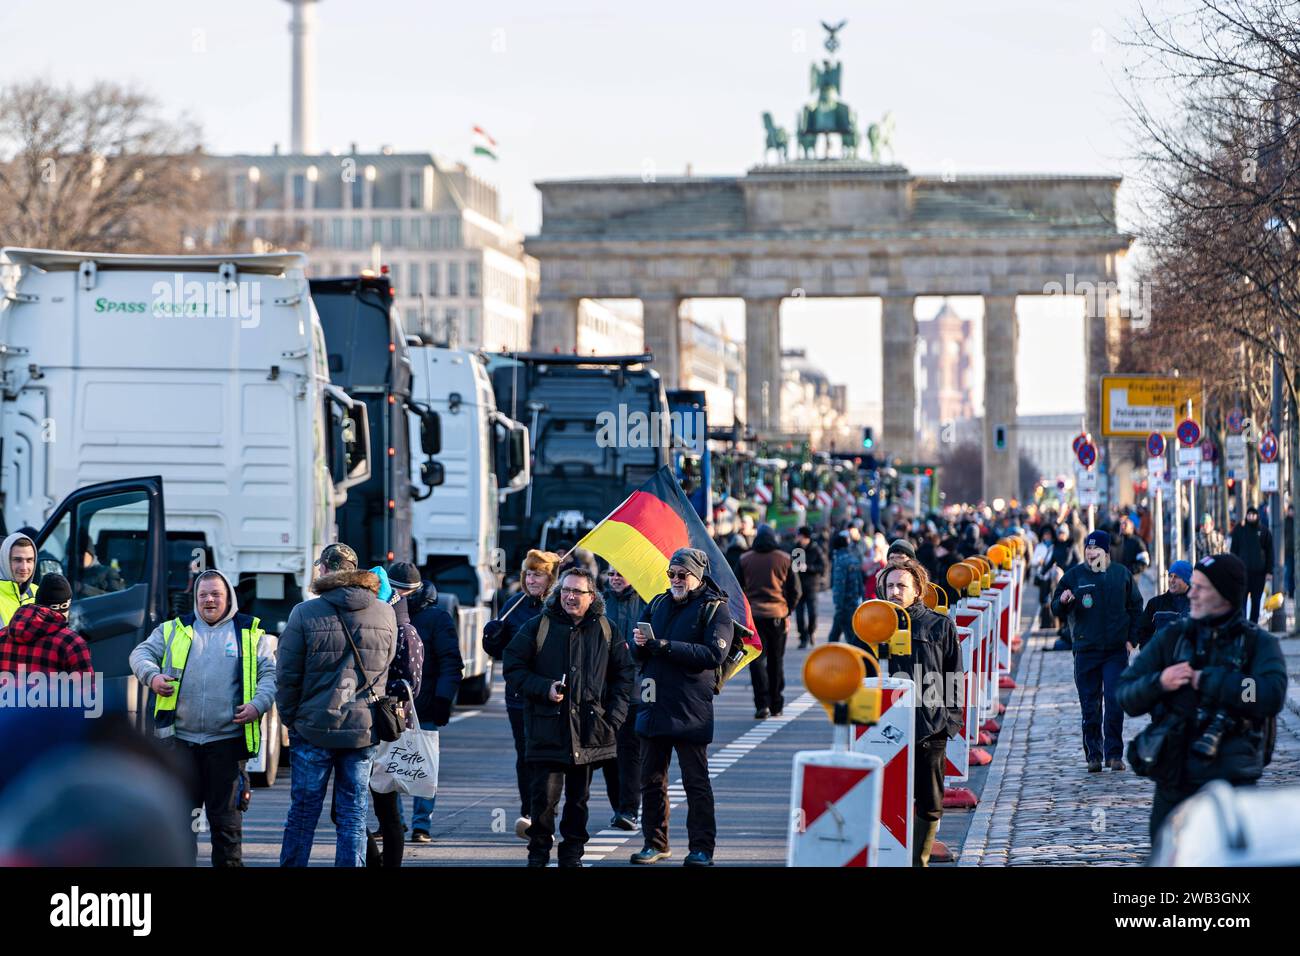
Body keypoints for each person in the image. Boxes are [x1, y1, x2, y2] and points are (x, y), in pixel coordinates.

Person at [1118, 553, 1287, 841]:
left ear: (1225, 595)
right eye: (1192, 585)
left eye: (1201, 587)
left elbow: (1268, 693)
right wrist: (1160, 682)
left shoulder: (1257, 643)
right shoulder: (1173, 638)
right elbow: (1126, 693)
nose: (1191, 594)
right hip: (1174, 782)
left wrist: (1208, 680)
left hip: (1233, 785)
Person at [128, 568, 275, 867]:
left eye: (216, 594)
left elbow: (270, 675)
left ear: (229, 597)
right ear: (195, 598)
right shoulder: (173, 629)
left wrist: (258, 705)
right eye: (203, 594)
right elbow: (139, 654)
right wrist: (152, 676)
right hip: (180, 745)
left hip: (227, 746)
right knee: (181, 828)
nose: (209, 600)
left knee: (227, 829)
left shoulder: (250, 632)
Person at [503, 567, 634, 867]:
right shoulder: (540, 625)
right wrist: (544, 688)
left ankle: (572, 854)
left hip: (589, 730)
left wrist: (613, 718)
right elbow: (513, 666)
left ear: (592, 596)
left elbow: (624, 675)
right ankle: (538, 854)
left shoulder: (606, 628)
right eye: (565, 590)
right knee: (544, 801)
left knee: (578, 801)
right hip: (547, 728)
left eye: (577, 591)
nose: (570, 596)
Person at [277, 543, 396, 867]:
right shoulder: (385, 612)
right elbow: (385, 666)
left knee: (303, 814)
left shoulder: (305, 612)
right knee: (353, 814)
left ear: (326, 570)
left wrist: (291, 719)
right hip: (362, 729)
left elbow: (287, 674)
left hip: (314, 727)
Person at [855, 558, 962, 866]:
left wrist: (950, 723)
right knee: (882, 799)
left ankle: (918, 859)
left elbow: (954, 675)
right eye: (889, 586)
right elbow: (858, 673)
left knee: (929, 801)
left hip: (929, 725)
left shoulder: (938, 624)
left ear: (917, 590)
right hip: (882, 728)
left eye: (902, 585)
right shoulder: (869, 624)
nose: (895, 591)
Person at [630, 548, 733, 866]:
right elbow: (639, 654)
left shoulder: (714, 609)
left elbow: (712, 655)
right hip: (654, 702)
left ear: (697, 576)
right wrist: (638, 644)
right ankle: (655, 842)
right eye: (671, 574)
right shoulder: (658, 603)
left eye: (682, 574)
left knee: (696, 781)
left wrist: (665, 647)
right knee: (651, 779)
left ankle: (702, 848)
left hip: (690, 708)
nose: (675, 580)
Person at [482, 549, 559, 840]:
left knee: (549, 757)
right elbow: (498, 652)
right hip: (518, 696)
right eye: (528, 573)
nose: (531, 579)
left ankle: (547, 812)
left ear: (550, 578)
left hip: (552, 694)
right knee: (525, 754)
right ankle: (530, 813)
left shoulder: (559, 605)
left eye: (538, 573)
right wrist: (492, 637)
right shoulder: (514, 604)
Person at [1051, 530, 1144, 772]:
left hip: (1115, 651)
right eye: (1088, 549)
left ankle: (1114, 754)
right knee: (1090, 706)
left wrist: (1131, 640)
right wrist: (1063, 601)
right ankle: (1094, 754)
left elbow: (1136, 607)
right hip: (1086, 650)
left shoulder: (1121, 574)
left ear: (1106, 552)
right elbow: (1055, 607)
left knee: (1114, 702)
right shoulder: (1075, 575)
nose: (1091, 553)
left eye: (1096, 549)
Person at [364, 564, 424, 868]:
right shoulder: (395, 626)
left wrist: (384, 694)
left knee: (386, 809)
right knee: (380, 808)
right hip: (377, 727)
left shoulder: (405, 632)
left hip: (390, 728)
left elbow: (411, 685)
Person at [402, 565, 463, 845]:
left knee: (423, 766)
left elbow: (451, 662)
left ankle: (420, 823)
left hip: (424, 704)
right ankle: (394, 821)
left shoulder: (437, 619)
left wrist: (443, 699)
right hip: (397, 703)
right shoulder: (388, 613)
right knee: (389, 765)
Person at [598, 566, 647, 831]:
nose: (615, 578)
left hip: (635, 689)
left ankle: (629, 809)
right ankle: (618, 806)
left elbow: (653, 642)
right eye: (611, 573)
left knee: (630, 752)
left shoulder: (646, 601)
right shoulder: (599, 604)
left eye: (621, 573)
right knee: (608, 753)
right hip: (604, 689)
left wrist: (637, 648)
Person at [740, 524, 800, 719]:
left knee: (757, 661)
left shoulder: (745, 559)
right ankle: (776, 704)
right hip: (777, 616)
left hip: (754, 618)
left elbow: (737, 589)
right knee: (776, 661)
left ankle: (761, 704)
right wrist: (787, 610)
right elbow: (796, 590)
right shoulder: (784, 559)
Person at [0, 574, 92, 676]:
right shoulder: (72, 643)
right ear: (66, 606)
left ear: (37, 602)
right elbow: (87, 690)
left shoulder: (2, 635)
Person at [1230, 506, 1273, 624]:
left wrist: (1269, 571)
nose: (1251, 517)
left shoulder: (1264, 531)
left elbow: (1270, 553)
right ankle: (1242, 623)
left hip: (1259, 574)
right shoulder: (1239, 530)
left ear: (1257, 516)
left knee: (1256, 601)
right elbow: (1233, 550)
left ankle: (1253, 624)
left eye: (1253, 515)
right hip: (1242, 572)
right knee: (1241, 600)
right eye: (1249, 515)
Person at [1135, 560, 1192, 648]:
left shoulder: (1197, 604)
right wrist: (1153, 652)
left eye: (1176, 577)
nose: (1171, 580)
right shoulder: (1155, 604)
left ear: (1186, 580)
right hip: (1162, 660)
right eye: (1170, 576)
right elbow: (1142, 633)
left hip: (1188, 659)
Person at [792, 526, 826, 649]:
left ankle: (811, 632)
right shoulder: (795, 549)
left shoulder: (816, 549)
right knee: (799, 615)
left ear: (805, 537)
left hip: (812, 586)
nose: (797, 538)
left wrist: (809, 567)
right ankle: (803, 637)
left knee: (813, 613)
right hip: (798, 587)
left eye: (799, 535)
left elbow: (822, 566)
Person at [827, 531, 864, 643]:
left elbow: (839, 585)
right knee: (840, 632)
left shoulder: (840, 561)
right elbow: (860, 582)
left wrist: (838, 604)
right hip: (854, 602)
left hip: (844, 604)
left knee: (849, 636)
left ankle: (854, 657)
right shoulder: (854, 559)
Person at [0, 532, 38, 626]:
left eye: (29, 560)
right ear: (4, 560)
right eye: (17, 560)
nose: (24, 567)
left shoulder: (39, 592)